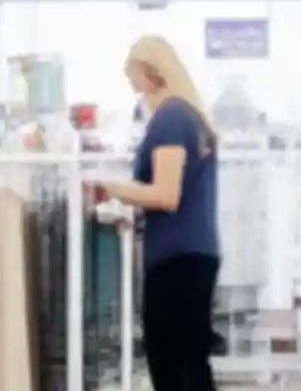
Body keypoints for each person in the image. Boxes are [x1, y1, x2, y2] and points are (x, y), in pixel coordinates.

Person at [98, 35, 221, 391]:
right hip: (192, 253)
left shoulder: (171, 119)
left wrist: (113, 188)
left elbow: (167, 194)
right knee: (190, 361)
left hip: (175, 257)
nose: (135, 90)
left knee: (171, 362)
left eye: (134, 80)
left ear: (150, 74)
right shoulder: (190, 118)